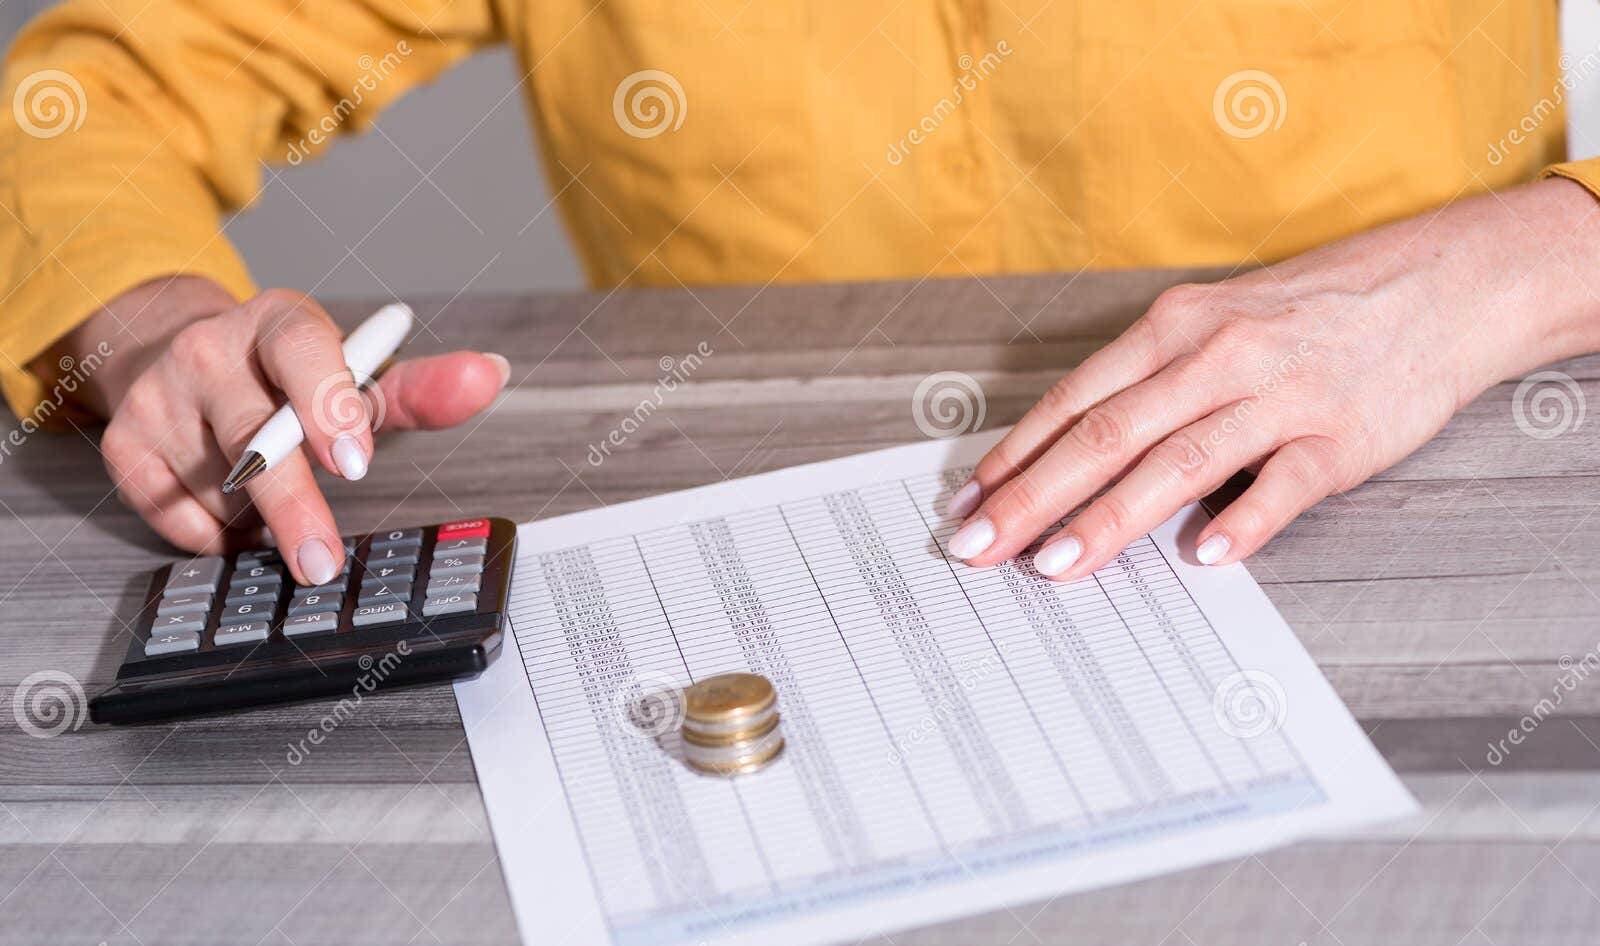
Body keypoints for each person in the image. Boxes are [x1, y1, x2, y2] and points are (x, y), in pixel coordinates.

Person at [2, 1, 1596, 588]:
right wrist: (140, 320)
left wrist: (1500, 273)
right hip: (796, 600)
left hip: (1439, 528)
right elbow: (91, 92)